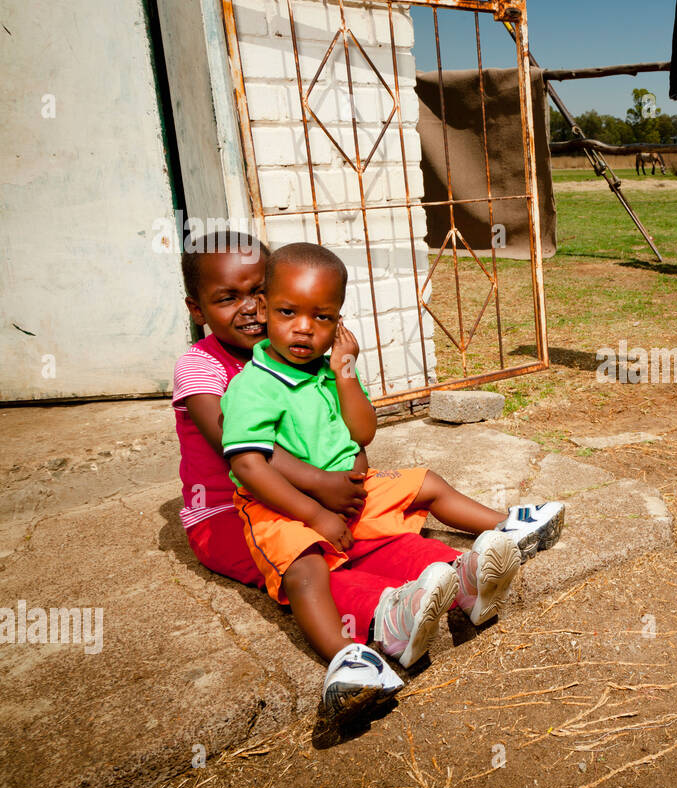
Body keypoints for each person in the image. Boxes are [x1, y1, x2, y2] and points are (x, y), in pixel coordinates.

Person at [172, 232, 562, 723]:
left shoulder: (305, 358)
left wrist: (348, 452)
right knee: (312, 558)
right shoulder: (208, 367)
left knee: (372, 525)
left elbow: (349, 431)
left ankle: (460, 572)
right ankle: (380, 618)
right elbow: (243, 454)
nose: (249, 309)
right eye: (229, 298)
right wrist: (319, 494)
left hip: (317, 489)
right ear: (197, 308)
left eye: (257, 293)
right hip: (231, 509)